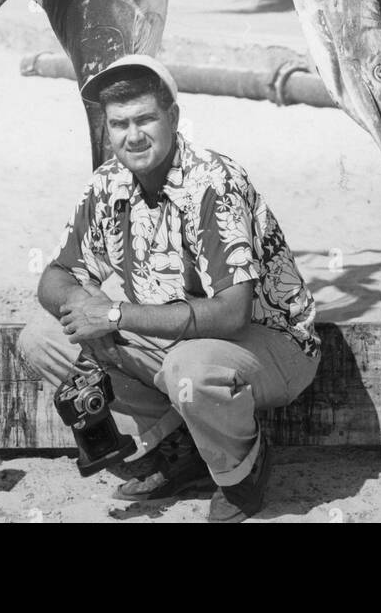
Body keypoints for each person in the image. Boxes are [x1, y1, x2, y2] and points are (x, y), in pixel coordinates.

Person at [18, 54, 320, 523]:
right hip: (183, 341)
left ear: (173, 118)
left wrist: (115, 315)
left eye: (144, 119)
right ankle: (179, 448)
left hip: (273, 344)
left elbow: (232, 313)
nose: (132, 135)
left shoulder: (213, 182)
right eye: (119, 123)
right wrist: (81, 302)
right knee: (44, 336)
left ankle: (243, 470)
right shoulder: (108, 182)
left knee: (189, 367)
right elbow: (55, 275)